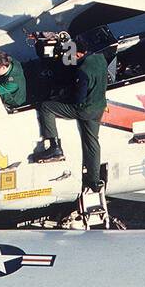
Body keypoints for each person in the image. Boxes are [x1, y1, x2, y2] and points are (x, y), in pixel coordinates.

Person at [28, 40, 109, 193]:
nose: (68, 57)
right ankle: (94, 180)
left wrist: (60, 97)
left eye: (70, 54)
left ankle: (54, 146)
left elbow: (78, 99)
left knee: (46, 107)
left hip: (83, 109)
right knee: (92, 143)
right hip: (98, 107)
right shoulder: (100, 58)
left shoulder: (83, 71)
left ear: (78, 53)